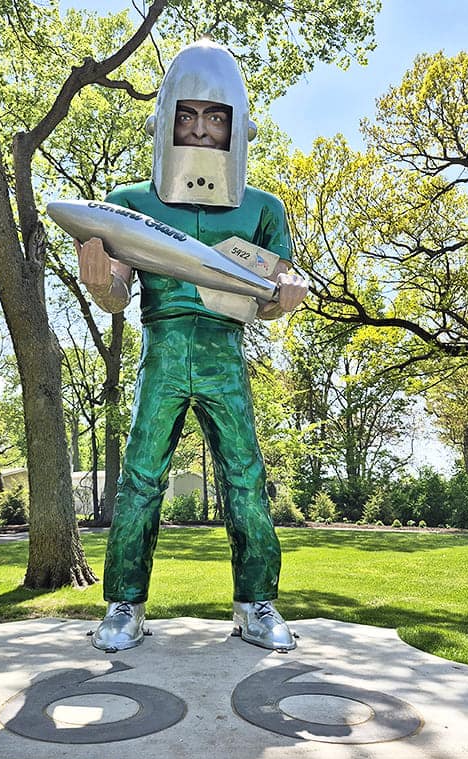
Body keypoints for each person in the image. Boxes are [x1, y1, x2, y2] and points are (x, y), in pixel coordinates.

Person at [76, 39, 308, 652]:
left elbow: (277, 281)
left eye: (214, 116)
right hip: (164, 351)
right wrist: (104, 285)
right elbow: (119, 291)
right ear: (166, 118)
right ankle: (125, 603)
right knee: (141, 476)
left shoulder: (262, 209)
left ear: (235, 124)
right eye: (187, 115)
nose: (200, 129)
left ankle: (256, 602)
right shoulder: (128, 205)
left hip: (225, 355)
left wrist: (289, 289)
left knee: (244, 477)